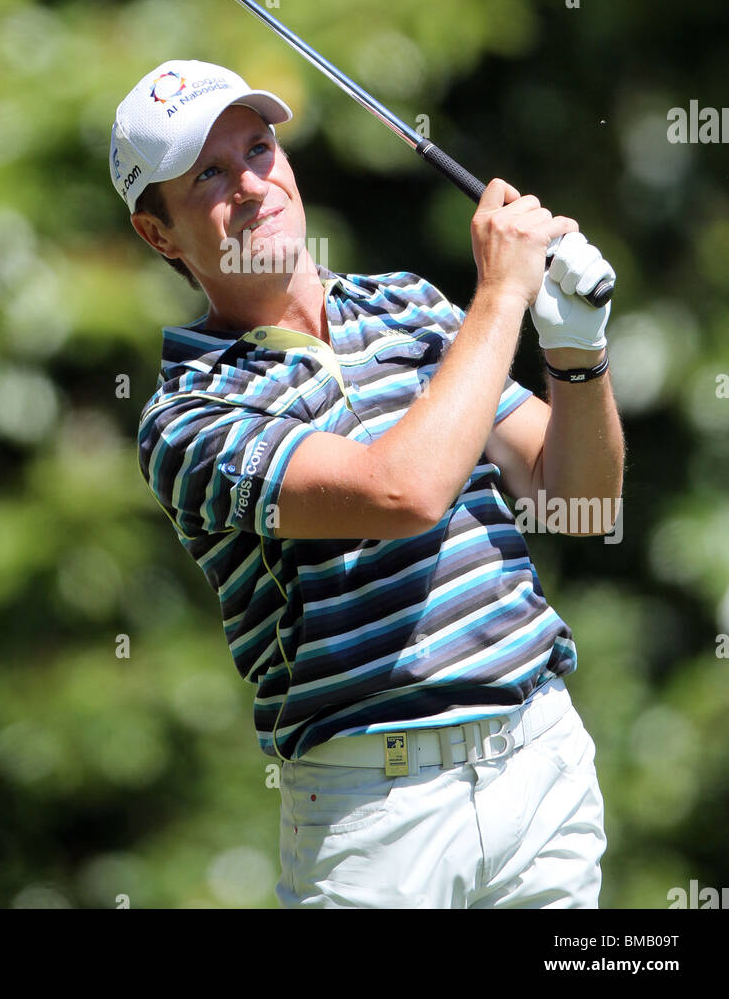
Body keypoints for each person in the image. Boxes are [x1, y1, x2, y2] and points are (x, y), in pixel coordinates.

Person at [111, 58, 625, 909]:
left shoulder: (408, 307)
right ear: (159, 235)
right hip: (375, 814)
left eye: (260, 148)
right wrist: (502, 298)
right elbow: (403, 493)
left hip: (540, 761)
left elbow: (580, 499)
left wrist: (577, 355)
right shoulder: (186, 418)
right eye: (208, 173)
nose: (251, 183)